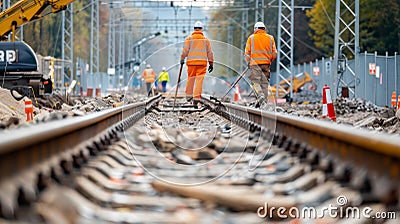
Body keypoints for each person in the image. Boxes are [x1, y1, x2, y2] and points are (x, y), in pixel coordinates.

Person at [245, 21, 277, 107]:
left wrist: (248, 62)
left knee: (255, 82)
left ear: (255, 29)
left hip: (255, 64)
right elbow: (274, 53)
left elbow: (247, 53)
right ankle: (264, 102)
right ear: (264, 29)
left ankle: (260, 96)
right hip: (266, 64)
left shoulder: (251, 38)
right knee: (265, 83)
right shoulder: (270, 38)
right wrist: (270, 61)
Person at [180, 21, 214, 104]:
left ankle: (188, 96)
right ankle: (196, 98)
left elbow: (185, 51)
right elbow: (210, 53)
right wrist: (211, 64)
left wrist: (182, 59)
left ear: (194, 29)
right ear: (202, 29)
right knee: (199, 81)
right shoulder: (206, 40)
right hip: (202, 64)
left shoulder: (189, 39)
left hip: (191, 63)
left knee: (190, 79)